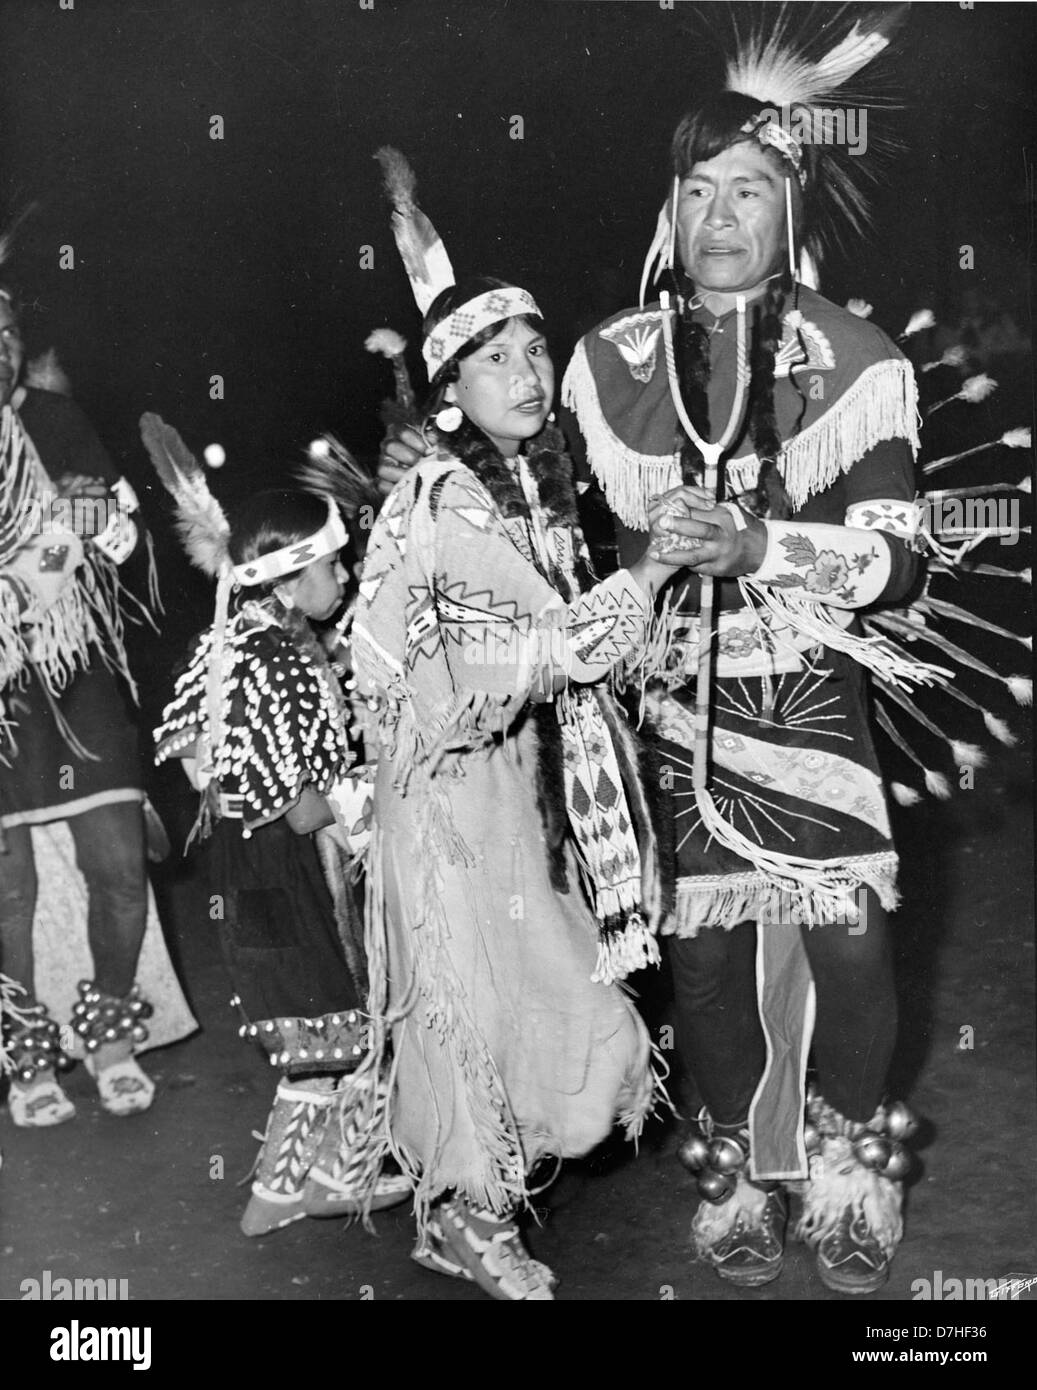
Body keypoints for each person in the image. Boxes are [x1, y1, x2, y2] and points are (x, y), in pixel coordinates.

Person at [378, 14, 929, 1295]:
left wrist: (760, 548)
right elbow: (552, 516)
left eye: (748, 191)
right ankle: (734, 1174)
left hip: (809, 687)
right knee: (702, 958)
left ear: (790, 209)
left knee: (846, 929)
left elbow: (900, 558)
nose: (720, 216)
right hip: (661, 699)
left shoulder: (855, 358)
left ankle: (850, 1166)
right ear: (667, 210)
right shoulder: (605, 364)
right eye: (695, 192)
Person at [355, 228, 700, 1294]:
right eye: (493, 356)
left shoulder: (527, 492)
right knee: (476, 1010)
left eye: (533, 349)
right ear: (446, 389)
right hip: (453, 801)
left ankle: (467, 1204)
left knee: (551, 994)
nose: (526, 373)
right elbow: (518, 663)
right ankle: (465, 1216)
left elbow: (569, 657)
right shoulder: (443, 502)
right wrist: (643, 574)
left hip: (517, 793)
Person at [152, 445, 410, 1236]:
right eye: (335, 566)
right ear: (293, 577)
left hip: (249, 868)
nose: (346, 579)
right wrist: (380, 797)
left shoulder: (228, 645)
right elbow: (299, 807)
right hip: (288, 870)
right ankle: (321, 1177)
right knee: (347, 1024)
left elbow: (197, 752)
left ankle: (290, 1189)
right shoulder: (277, 658)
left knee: (316, 1031)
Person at [0, 284, 195, 1129]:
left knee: (118, 864)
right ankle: (27, 1051)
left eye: (5, 331)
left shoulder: (57, 419)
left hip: (77, 671)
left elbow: (125, 546)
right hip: (4, 685)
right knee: (8, 892)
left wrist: (93, 518)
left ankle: (109, 1033)